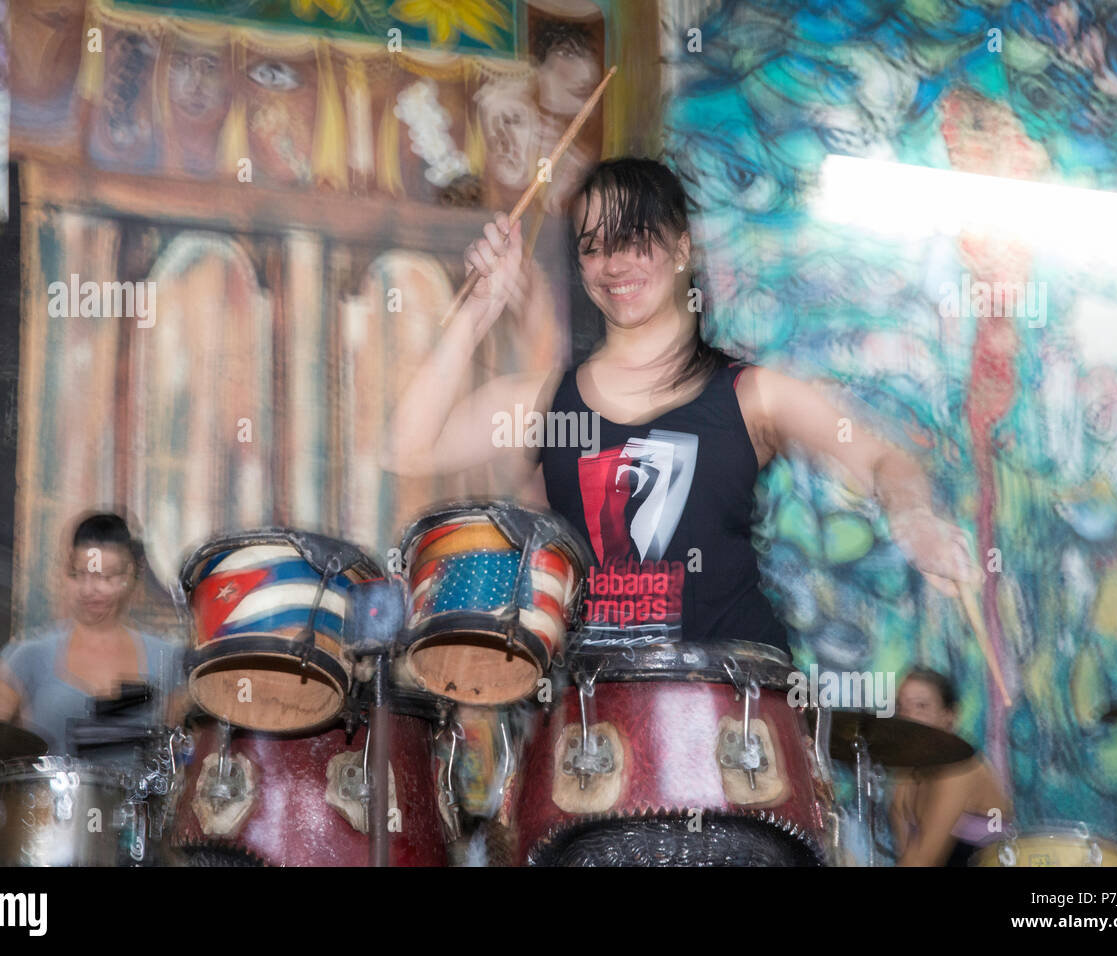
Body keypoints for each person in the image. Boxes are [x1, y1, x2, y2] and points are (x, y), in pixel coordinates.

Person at [385, 156, 981, 653]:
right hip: (592, 725)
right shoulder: (545, 402)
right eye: (593, 246)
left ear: (680, 249)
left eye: (633, 240)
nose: (613, 263)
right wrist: (478, 310)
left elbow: (882, 458)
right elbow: (408, 448)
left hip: (734, 718)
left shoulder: (752, 394)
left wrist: (915, 520)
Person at [0, 511, 187, 757]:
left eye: (105, 577)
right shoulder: (28, 655)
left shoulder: (166, 658)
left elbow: (184, 755)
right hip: (49, 794)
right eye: (79, 575)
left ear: (131, 576)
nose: (90, 590)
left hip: (142, 796)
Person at [889, 668, 1012, 866]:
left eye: (921, 706)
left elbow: (922, 862)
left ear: (948, 716)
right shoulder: (906, 773)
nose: (908, 716)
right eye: (901, 706)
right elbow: (906, 855)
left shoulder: (959, 769)